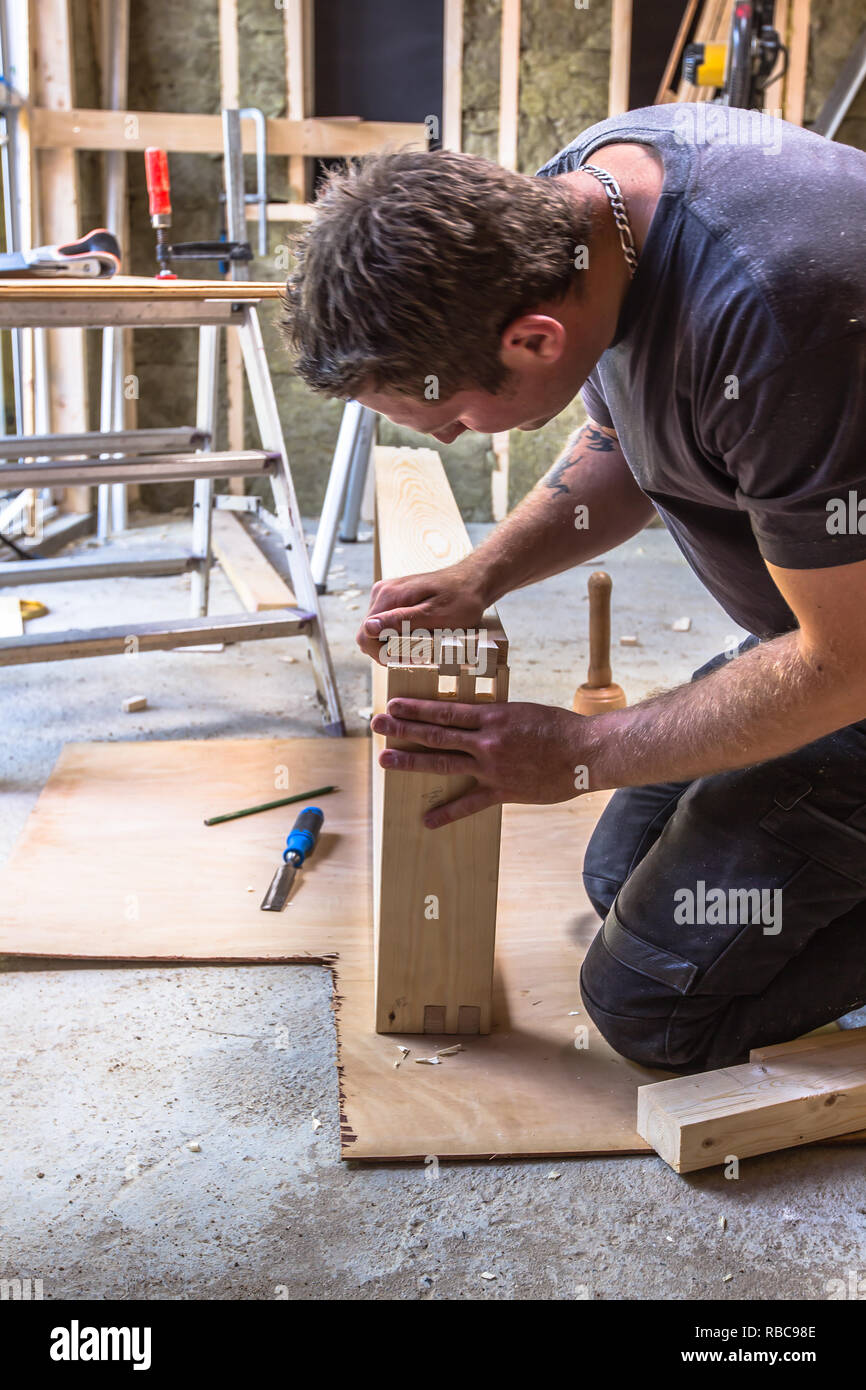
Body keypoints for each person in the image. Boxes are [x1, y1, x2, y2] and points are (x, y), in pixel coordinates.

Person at [281, 103, 866, 1071]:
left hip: (847, 658)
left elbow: (845, 665)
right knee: (615, 873)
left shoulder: (773, 310)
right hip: (827, 629)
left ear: (533, 341)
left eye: (449, 420)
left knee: (647, 1010)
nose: (447, 436)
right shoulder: (581, 207)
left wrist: (584, 748)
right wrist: (481, 574)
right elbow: (624, 443)